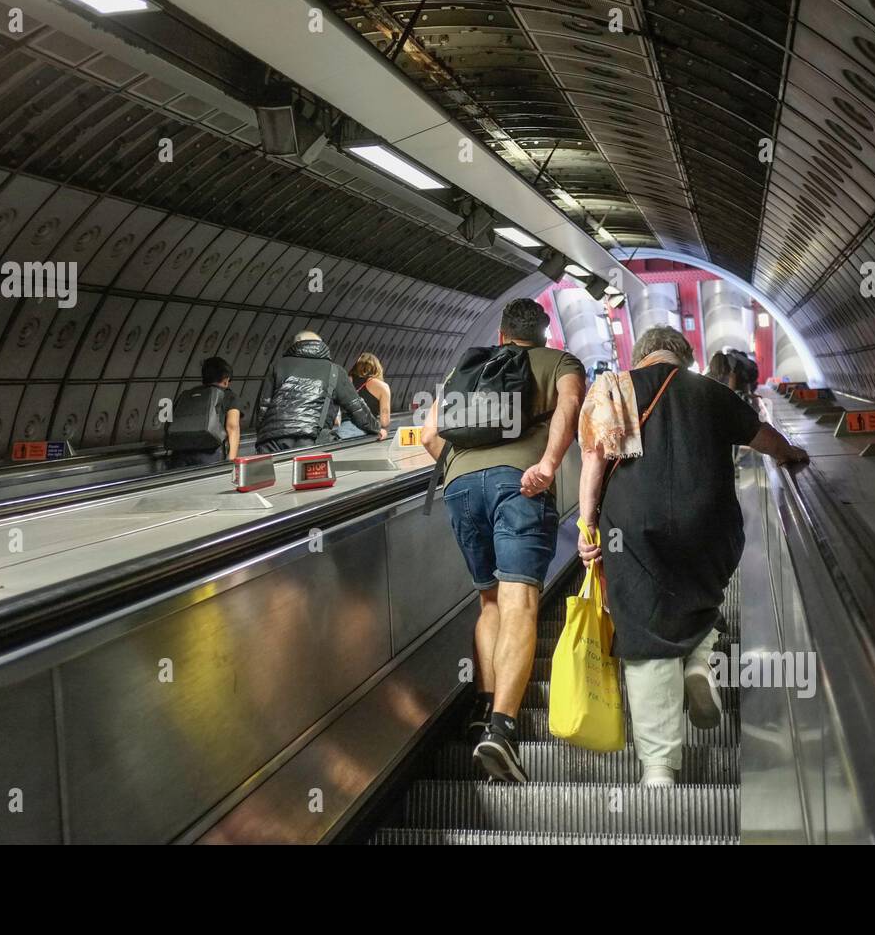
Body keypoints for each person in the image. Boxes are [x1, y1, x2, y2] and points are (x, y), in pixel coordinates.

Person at [576, 326, 807, 788]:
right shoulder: (710, 391)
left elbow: (595, 462)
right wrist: (791, 454)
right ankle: (700, 662)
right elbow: (762, 437)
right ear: (683, 357)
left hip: (633, 528)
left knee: (644, 629)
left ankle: (660, 767)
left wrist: (586, 527)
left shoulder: (613, 388)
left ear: (640, 357)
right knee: (700, 592)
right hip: (709, 523)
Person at [421, 298, 585, 782]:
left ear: (501, 334)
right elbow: (572, 405)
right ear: (543, 333)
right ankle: (501, 730)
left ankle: (482, 707)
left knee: (489, 603)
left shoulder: (467, 367)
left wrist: (456, 472)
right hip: (520, 484)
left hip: (461, 487)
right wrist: (548, 465)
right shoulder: (559, 362)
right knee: (520, 604)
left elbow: (431, 434)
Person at [256, 331, 385, 453]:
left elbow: (264, 407)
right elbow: (357, 408)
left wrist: (262, 435)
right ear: (321, 345)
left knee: (272, 476)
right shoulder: (335, 371)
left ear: (295, 345)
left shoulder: (277, 365)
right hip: (311, 440)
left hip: (270, 442)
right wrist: (377, 429)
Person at [169, 356, 242, 467]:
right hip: (210, 454)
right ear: (226, 380)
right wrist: (231, 462)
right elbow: (232, 427)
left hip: (180, 453)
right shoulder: (229, 396)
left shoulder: (186, 395)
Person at [336, 353, 390, 440]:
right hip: (369, 431)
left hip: (344, 430)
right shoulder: (382, 386)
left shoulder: (346, 381)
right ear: (377, 368)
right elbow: (385, 421)